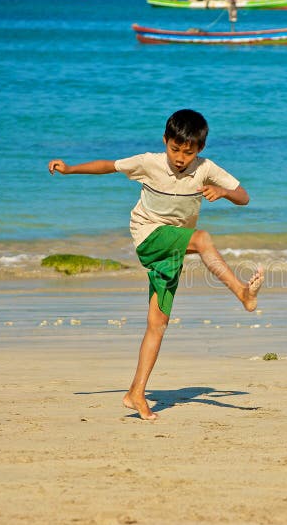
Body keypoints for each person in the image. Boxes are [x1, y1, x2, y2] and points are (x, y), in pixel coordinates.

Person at [47, 109, 264, 420]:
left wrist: (224, 192)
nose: (179, 158)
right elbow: (108, 166)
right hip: (148, 236)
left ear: (199, 149)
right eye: (174, 149)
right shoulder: (149, 162)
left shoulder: (205, 169)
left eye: (188, 152)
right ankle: (242, 294)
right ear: (165, 141)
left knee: (157, 325)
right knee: (201, 239)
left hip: (173, 245)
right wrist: (69, 169)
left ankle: (136, 393)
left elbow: (244, 197)